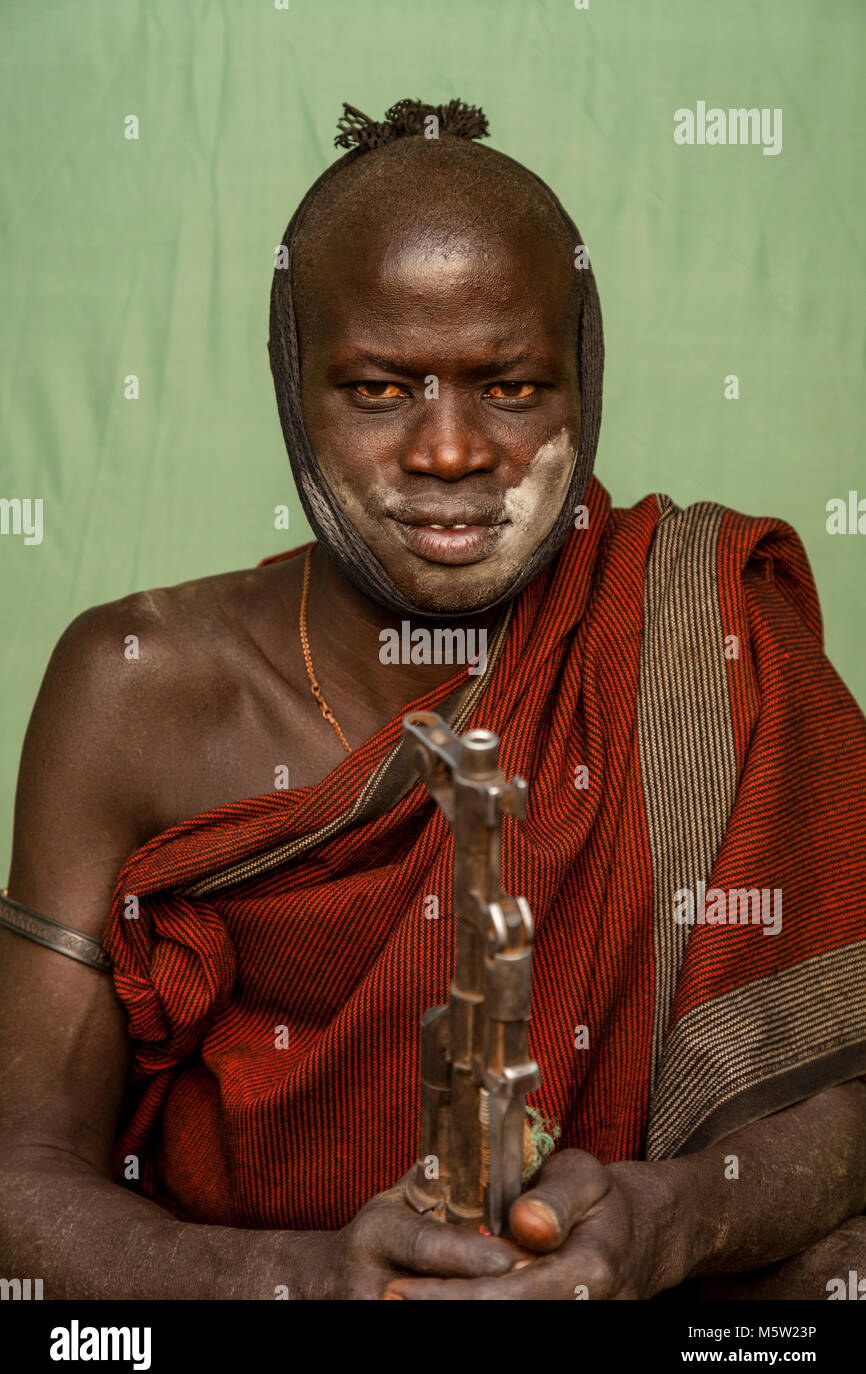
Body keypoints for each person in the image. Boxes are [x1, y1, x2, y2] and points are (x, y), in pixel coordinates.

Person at [1, 99, 864, 1301]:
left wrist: (662, 1223)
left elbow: (842, 1102)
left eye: (509, 389)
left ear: (584, 383)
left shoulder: (707, 636)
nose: (449, 452)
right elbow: (21, 1175)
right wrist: (318, 1283)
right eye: (376, 390)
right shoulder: (132, 685)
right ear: (293, 389)